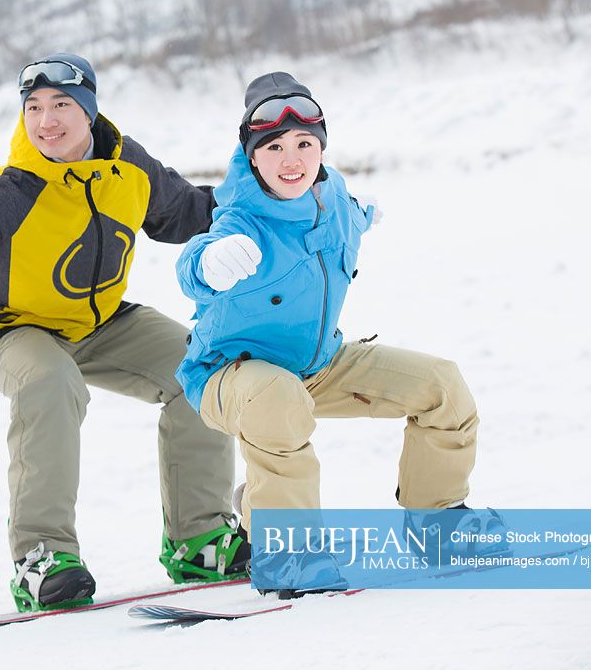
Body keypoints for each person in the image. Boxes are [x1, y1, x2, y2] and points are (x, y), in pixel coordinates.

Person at [0, 53, 247, 612]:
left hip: (97, 322)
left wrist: (263, 200)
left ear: (89, 111)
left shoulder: (128, 166)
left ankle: (200, 540)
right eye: (33, 108)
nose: (46, 121)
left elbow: (188, 212)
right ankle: (42, 559)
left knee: (197, 366)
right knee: (50, 382)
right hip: (8, 325)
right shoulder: (14, 187)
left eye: (61, 105)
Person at [175, 71, 506, 598]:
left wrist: (366, 214)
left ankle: (439, 524)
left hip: (318, 364)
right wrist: (205, 263)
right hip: (227, 375)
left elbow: (351, 214)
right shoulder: (240, 220)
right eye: (275, 146)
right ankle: (287, 551)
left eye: (305, 144)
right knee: (277, 401)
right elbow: (194, 264)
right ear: (251, 156)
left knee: (441, 385)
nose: (292, 160)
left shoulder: (334, 202)